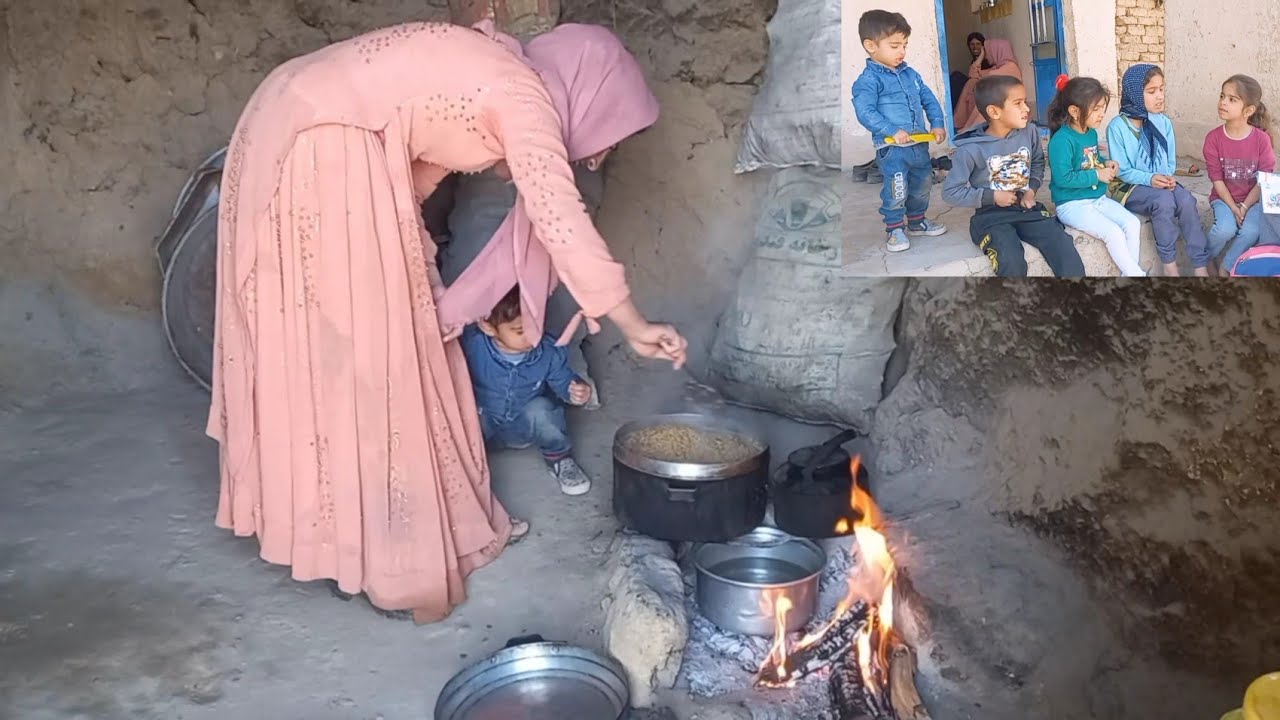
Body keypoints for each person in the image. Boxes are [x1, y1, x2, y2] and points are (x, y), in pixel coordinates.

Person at [208, 20, 689, 624]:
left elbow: (413, 179)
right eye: (613, 131)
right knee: (369, 357)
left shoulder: (497, 76)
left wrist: (426, 284)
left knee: (375, 338)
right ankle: (380, 558)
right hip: (324, 141)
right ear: (590, 93)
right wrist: (633, 322)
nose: (602, 152)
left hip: (299, 120)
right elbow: (560, 218)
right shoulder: (521, 94)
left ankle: (361, 535)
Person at [942, 75, 1086, 277]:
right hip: (991, 216)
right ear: (994, 111)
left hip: (1027, 209)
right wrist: (991, 197)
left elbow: (1037, 162)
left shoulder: (1029, 132)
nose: (1027, 109)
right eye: (1018, 103)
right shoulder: (971, 149)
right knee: (1010, 261)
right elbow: (951, 192)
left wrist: (1031, 190)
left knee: (1062, 244)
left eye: (1025, 102)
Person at [461, 286, 594, 496]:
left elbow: (563, 381)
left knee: (541, 408)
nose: (532, 336)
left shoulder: (550, 349)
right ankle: (466, 469)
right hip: (485, 425)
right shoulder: (472, 345)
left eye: (537, 325)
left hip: (524, 425)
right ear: (488, 327)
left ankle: (559, 458)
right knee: (467, 412)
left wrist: (576, 390)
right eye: (520, 330)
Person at [851, 9, 949, 254]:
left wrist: (937, 122)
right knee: (897, 189)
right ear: (871, 45)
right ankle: (894, 229)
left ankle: (917, 222)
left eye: (904, 45)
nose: (902, 51)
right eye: (895, 46)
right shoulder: (868, 80)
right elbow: (865, 111)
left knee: (922, 184)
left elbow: (929, 98)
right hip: (892, 149)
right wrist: (891, 130)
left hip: (918, 145)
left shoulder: (910, 74)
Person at [1106, 64, 1212, 277]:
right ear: (1135, 93)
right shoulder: (1117, 127)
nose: (1160, 96)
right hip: (1129, 187)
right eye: (1152, 91)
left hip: (1161, 183)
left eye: (1162, 89)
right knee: (1163, 202)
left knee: (1186, 201)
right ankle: (1169, 265)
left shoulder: (1163, 122)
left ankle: (1200, 265)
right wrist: (1150, 178)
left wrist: (1167, 177)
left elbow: (1170, 162)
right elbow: (1122, 170)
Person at [1047, 76, 1146, 276]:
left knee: (1132, 223)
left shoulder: (1090, 133)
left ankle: (1130, 274)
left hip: (1096, 199)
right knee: (1113, 233)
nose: (1102, 114)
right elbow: (1063, 178)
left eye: (1103, 108)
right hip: (1071, 204)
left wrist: (1105, 163)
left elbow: (1092, 158)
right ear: (1074, 111)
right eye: (1096, 109)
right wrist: (1096, 175)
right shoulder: (1061, 141)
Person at [1204, 74, 1275, 275]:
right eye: (1222, 96)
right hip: (1223, 199)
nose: (1223, 102)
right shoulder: (1213, 139)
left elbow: (1264, 179)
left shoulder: (1262, 140)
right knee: (1224, 230)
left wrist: (1244, 207)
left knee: (1251, 231)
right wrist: (1233, 207)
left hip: (1253, 201)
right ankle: (1205, 260)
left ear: (1249, 110)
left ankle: (1226, 268)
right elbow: (1216, 178)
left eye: (1232, 99)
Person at [953, 38, 1022, 132]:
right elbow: (972, 75)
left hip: (1004, 106)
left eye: (986, 51)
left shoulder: (1010, 67)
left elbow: (987, 77)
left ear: (996, 50)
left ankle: (971, 126)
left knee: (984, 98)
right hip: (998, 104)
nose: (986, 54)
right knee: (971, 83)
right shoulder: (998, 67)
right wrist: (980, 58)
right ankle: (961, 122)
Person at [950, 32, 990, 112]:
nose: (975, 47)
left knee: (956, 77)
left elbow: (974, 75)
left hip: (980, 88)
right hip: (973, 87)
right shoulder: (975, 60)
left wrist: (982, 55)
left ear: (983, 46)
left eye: (978, 44)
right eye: (972, 44)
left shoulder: (988, 59)